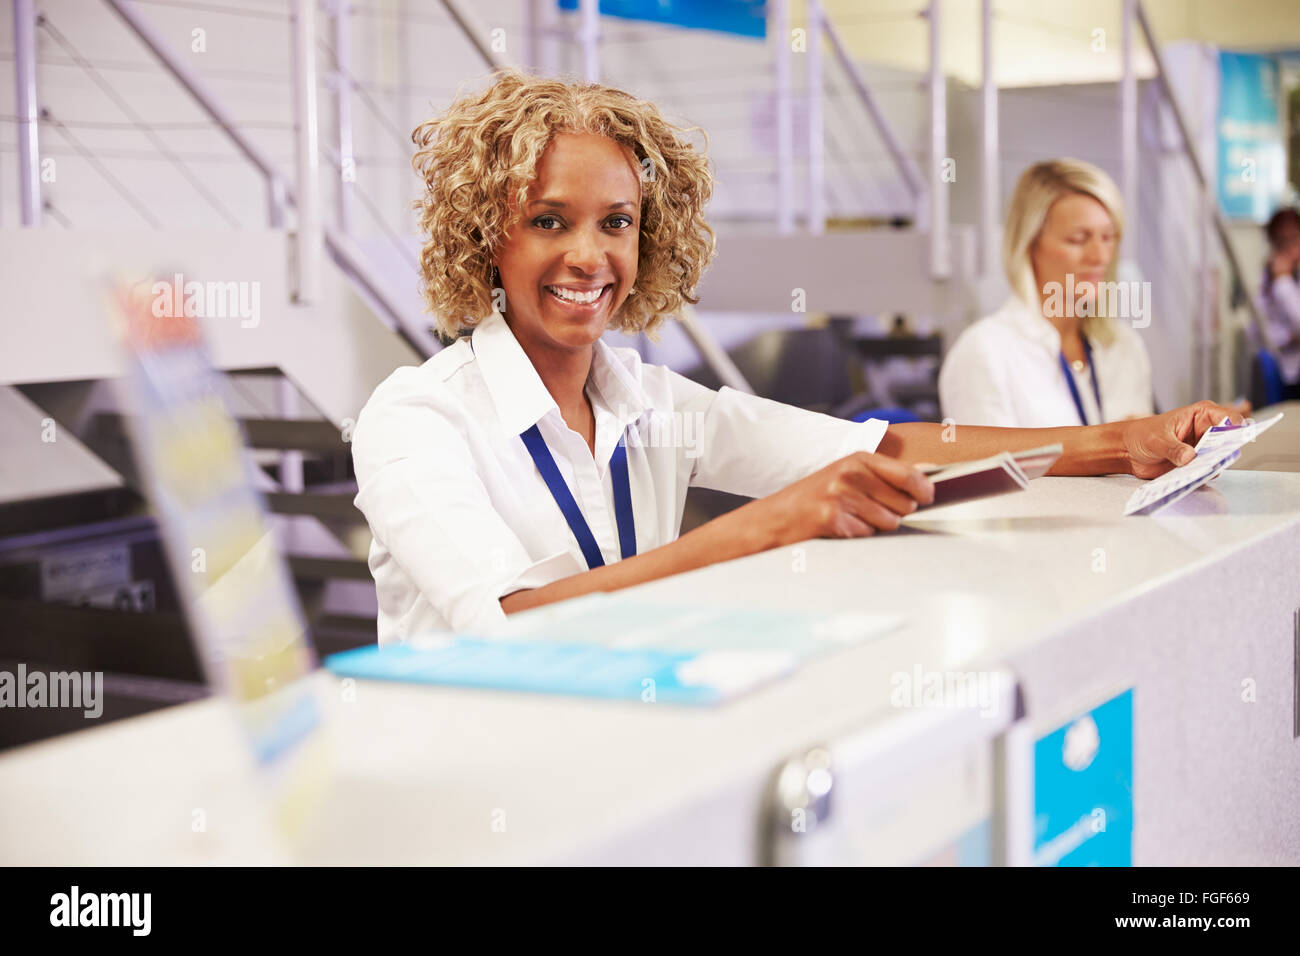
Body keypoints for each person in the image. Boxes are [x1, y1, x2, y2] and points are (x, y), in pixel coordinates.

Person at [351, 72, 1241, 643]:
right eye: (550, 220)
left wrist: (1124, 444)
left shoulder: (651, 402)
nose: (590, 255)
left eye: (617, 223)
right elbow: (508, 628)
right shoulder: (417, 418)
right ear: (486, 237)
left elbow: (882, 446)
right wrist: (769, 524)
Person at [939, 159, 1155, 427]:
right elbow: (991, 467)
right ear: (1029, 243)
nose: (1100, 256)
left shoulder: (1125, 347)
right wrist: (1117, 444)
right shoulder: (983, 353)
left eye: (1108, 237)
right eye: (1078, 239)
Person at [1258, 206, 1300, 400]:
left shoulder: (1282, 280)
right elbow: (1258, 331)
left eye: (1293, 238)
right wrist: (1289, 338)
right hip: (1283, 371)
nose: (1288, 248)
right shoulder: (1269, 279)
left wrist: (1283, 281)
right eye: (1281, 241)